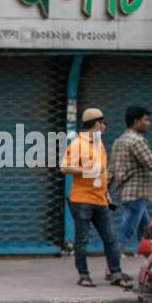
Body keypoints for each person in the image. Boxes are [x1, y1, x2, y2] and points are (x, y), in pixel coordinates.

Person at [62, 107, 131, 288]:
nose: (105, 127)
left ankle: (116, 273)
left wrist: (106, 193)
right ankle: (84, 275)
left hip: (100, 199)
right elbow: (64, 167)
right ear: (97, 124)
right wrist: (86, 170)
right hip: (82, 199)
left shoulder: (98, 143)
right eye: (103, 123)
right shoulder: (78, 144)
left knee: (110, 238)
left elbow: (101, 171)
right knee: (82, 239)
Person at [109, 106, 152, 255]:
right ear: (136, 121)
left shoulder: (119, 141)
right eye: (145, 119)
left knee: (146, 231)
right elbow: (150, 163)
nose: (148, 123)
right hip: (137, 194)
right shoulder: (137, 141)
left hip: (127, 194)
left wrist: (105, 188)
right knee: (126, 230)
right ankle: (113, 267)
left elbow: (111, 169)